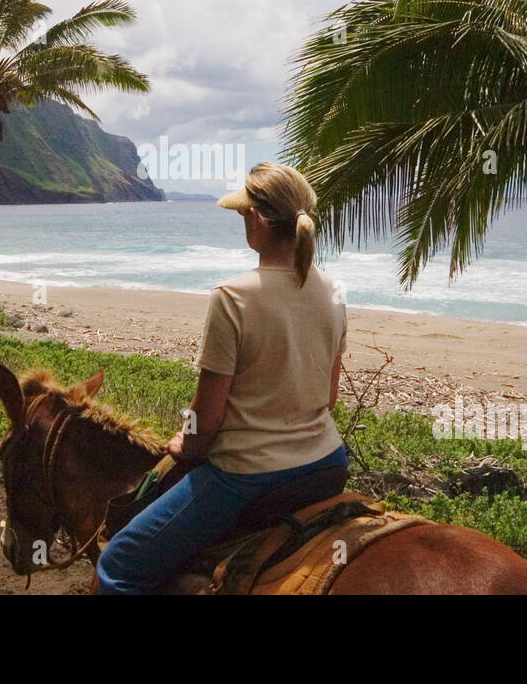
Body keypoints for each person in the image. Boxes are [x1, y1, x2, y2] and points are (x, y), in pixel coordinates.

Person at [95, 162, 348, 594]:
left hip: (246, 476)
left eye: (241, 215)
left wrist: (184, 443)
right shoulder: (334, 292)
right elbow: (327, 399)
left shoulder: (231, 298)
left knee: (118, 564)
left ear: (254, 219)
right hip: (327, 463)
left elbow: (206, 420)